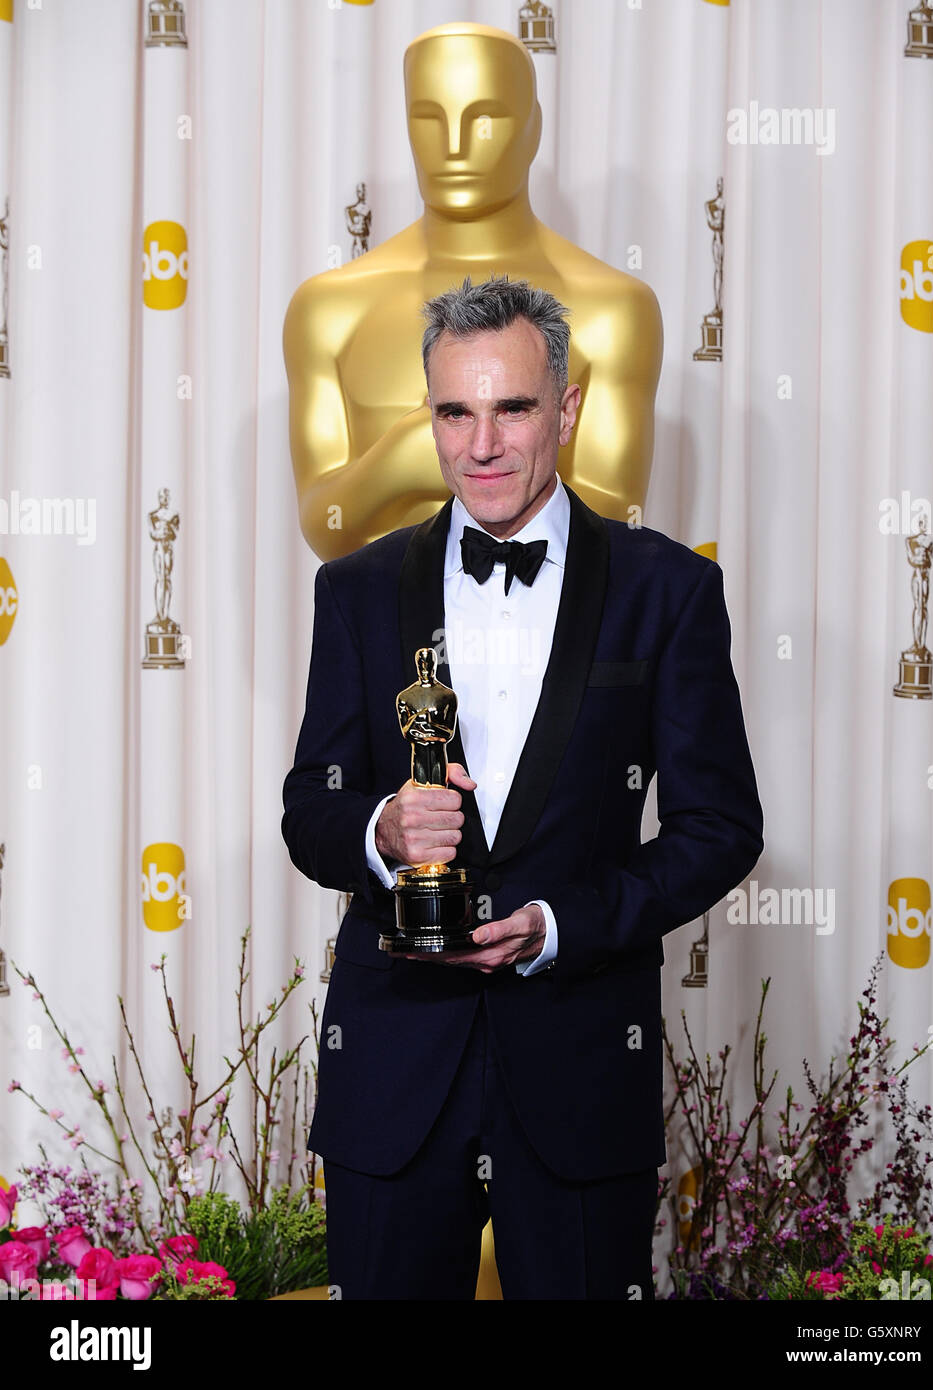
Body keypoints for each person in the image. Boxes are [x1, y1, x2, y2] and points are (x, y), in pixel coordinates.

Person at [281, 275, 763, 1300]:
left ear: (568, 408)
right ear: (431, 415)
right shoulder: (356, 590)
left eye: (512, 408)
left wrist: (562, 922)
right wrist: (376, 826)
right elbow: (309, 809)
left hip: (579, 1061)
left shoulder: (666, 590)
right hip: (394, 1063)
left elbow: (718, 825)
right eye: (455, 411)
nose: (482, 443)